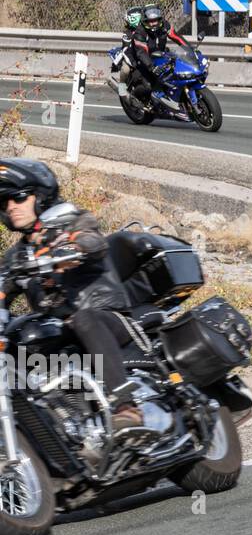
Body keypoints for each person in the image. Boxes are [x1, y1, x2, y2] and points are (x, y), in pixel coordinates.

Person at [0, 158, 145, 434]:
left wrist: (71, 249)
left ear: (40, 194)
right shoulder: (17, 256)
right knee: (19, 338)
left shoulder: (72, 221)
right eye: (5, 201)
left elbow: (94, 242)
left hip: (108, 317)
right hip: (64, 333)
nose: (11, 207)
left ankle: (126, 406)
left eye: (18, 197)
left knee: (83, 318)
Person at [125, 4, 189, 101]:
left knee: (175, 76)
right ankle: (133, 98)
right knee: (149, 87)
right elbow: (141, 53)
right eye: (150, 21)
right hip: (143, 62)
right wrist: (152, 67)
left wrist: (189, 48)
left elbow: (177, 37)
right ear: (145, 20)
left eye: (155, 20)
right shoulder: (140, 32)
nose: (153, 23)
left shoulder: (164, 25)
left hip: (160, 57)